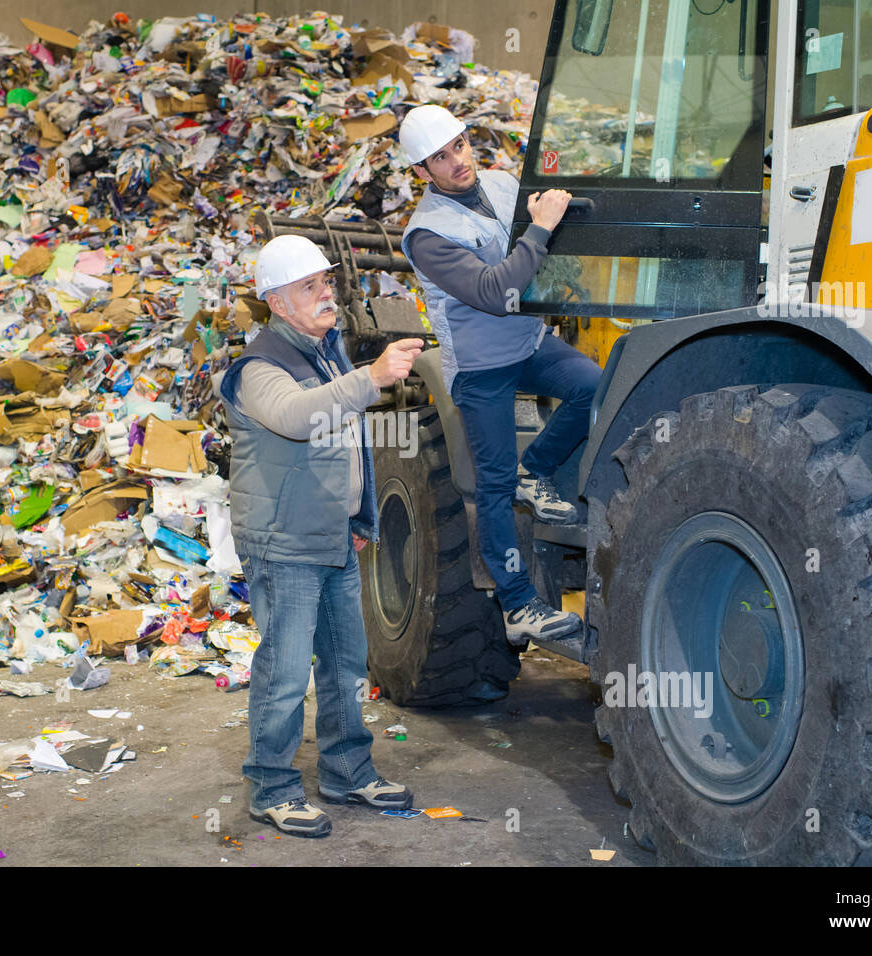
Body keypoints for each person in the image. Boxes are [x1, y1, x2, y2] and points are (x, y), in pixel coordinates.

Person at [218, 234, 425, 838]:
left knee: (346, 664)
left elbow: (349, 444)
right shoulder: (258, 366)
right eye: (310, 287)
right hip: (284, 545)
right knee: (285, 671)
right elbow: (299, 417)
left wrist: (358, 519)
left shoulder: (324, 351)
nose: (326, 294)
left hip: (331, 536)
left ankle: (346, 770)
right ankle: (272, 786)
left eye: (327, 282)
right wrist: (371, 376)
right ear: (277, 302)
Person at [398, 104, 603, 647]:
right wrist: (539, 229)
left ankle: (535, 470)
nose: (456, 162)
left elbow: (539, 256)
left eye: (459, 146)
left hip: (529, 341)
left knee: (594, 387)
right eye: (439, 158)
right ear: (423, 172)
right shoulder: (426, 235)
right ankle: (517, 606)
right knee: (493, 484)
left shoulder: (502, 182)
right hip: (482, 366)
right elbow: (493, 290)